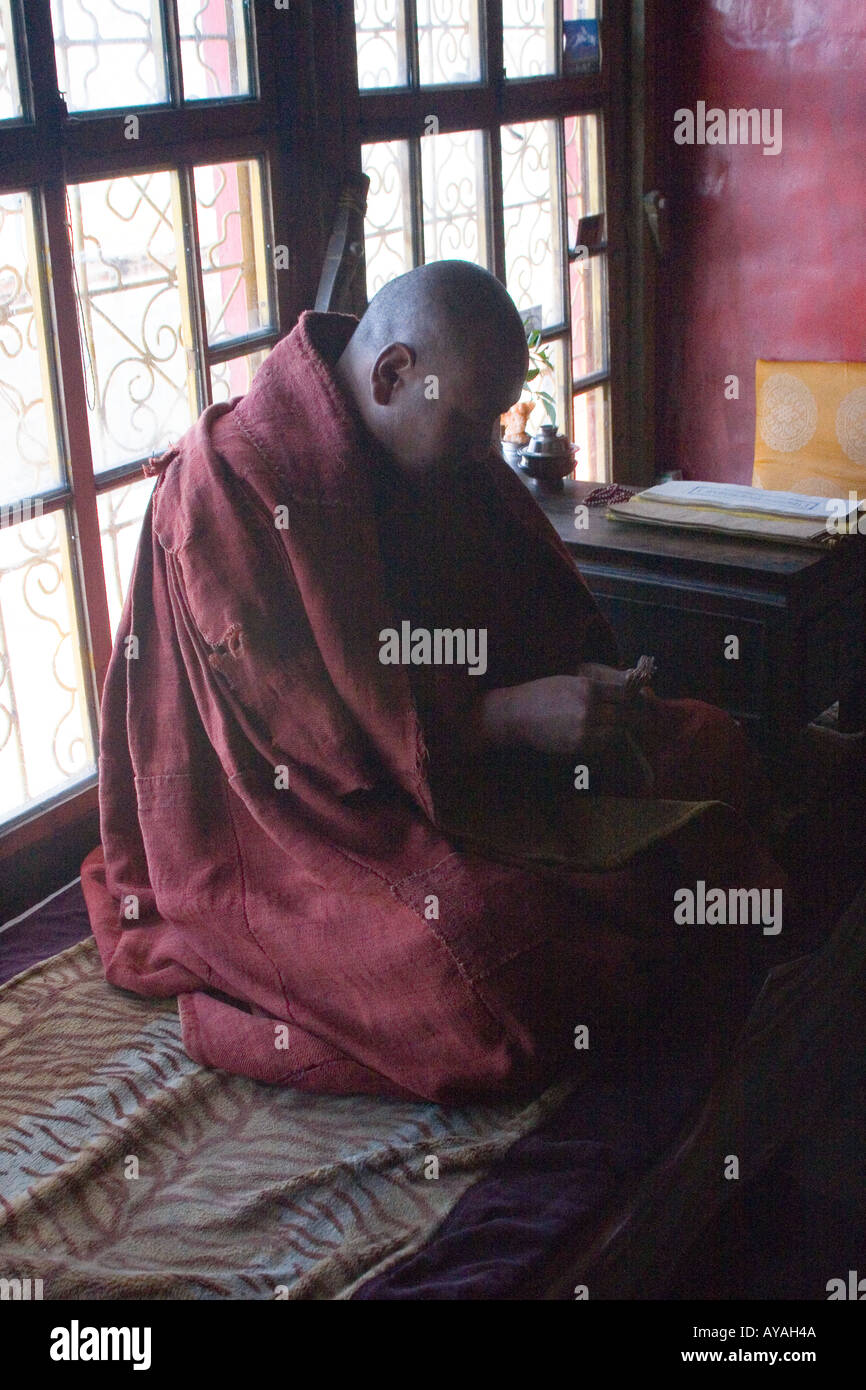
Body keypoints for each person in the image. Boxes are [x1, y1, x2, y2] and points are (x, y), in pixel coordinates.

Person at [81, 260, 793, 1103]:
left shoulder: (439, 440)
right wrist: (504, 720)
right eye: (475, 423)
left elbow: (524, 604)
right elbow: (303, 746)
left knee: (713, 748)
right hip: (305, 831)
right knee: (489, 970)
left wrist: (580, 689)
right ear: (393, 375)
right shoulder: (227, 493)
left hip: (476, 772)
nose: (488, 447)